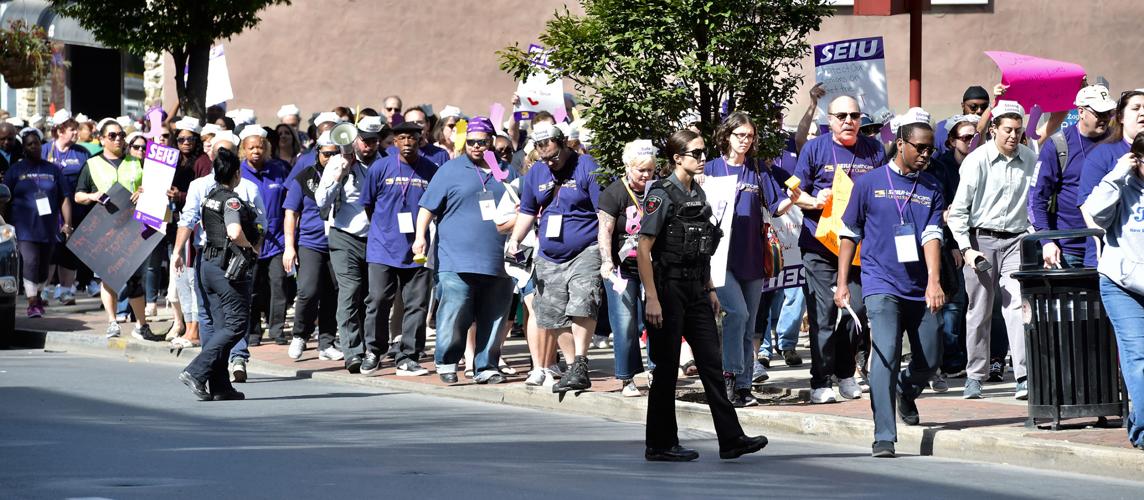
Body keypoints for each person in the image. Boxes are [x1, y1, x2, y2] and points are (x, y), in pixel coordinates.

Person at [637, 128, 768, 462]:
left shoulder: (699, 192)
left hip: (697, 287)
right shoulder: (661, 193)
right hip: (668, 289)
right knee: (666, 369)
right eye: (695, 153)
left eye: (703, 152)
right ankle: (660, 443)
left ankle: (732, 439)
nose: (702, 158)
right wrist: (651, 296)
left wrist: (710, 288)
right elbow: (643, 248)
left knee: (712, 363)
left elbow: (704, 247)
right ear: (677, 158)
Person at [835, 110, 946, 458]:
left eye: (931, 149)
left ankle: (905, 390)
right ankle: (884, 434)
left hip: (919, 286)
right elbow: (849, 234)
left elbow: (932, 235)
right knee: (885, 354)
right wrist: (841, 284)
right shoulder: (868, 184)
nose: (927, 154)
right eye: (920, 148)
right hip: (880, 282)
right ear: (900, 144)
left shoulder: (931, 186)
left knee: (929, 359)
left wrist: (933, 281)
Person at [792, 95, 886, 404]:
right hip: (820, 244)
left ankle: (845, 372)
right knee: (824, 313)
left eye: (855, 115)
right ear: (829, 120)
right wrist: (816, 200)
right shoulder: (814, 148)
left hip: (859, 247)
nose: (849, 121)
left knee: (857, 309)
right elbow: (793, 191)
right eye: (842, 116)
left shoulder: (873, 149)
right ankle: (821, 380)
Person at [947, 100, 1037, 400]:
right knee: (980, 310)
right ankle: (975, 375)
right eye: (1007, 130)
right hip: (980, 240)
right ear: (993, 129)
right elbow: (958, 213)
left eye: (1018, 130)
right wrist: (966, 248)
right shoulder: (977, 160)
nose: (1013, 135)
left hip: (1016, 240)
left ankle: (1023, 374)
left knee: (1015, 305)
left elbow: (1035, 202)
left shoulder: (1029, 157)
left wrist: (1034, 234)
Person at [414, 116, 515, 384]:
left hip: (499, 260)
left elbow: (524, 208)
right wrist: (419, 236)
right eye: (470, 142)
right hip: (454, 258)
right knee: (455, 310)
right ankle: (447, 362)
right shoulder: (450, 170)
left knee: (494, 317)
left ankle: (486, 366)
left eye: (482, 142)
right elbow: (427, 207)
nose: (476, 147)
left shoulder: (507, 173)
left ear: (491, 142)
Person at [705, 112, 797, 406]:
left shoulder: (758, 170)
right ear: (727, 136)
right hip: (720, 258)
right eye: (739, 135)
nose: (745, 141)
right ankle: (729, 376)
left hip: (753, 255)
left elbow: (777, 205)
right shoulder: (711, 169)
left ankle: (743, 387)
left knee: (747, 324)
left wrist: (794, 197)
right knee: (737, 314)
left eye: (749, 136)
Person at [507, 122, 603, 393]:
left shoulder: (586, 166)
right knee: (553, 312)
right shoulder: (536, 172)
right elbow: (527, 210)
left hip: (585, 248)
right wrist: (515, 239)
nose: (550, 162)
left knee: (583, 302)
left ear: (563, 144)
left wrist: (605, 251)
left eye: (553, 156)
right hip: (549, 254)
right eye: (544, 158)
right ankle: (574, 368)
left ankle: (581, 361)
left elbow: (602, 212)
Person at [178, 148, 263, 402]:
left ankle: (220, 386)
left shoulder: (210, 196)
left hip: (209, 264)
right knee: (236, 325)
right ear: (237, 173)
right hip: (228, 267)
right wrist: (250, 246)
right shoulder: (232, 200)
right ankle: (195, 371)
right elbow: (235, 231)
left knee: (219, 327)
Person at [1081, 132, 1144, 451]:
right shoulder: (1122, 184)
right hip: (1122, 285)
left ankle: (1138, 422)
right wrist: (1118, 174)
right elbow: (1093, 212)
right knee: (1138, 358)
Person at [359, 121, 438, 376]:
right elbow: (368, 205)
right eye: (402, 138)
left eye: (412, 138)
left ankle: (408, 355)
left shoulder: (431, 170)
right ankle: (374, 350)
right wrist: (385, 228)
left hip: (419, 248)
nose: (407, 142)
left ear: (420, 139)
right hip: (383, 247)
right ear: (394, 141)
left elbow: (437, 206)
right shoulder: (380, 168)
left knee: (417, 304)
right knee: (378, 299)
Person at [72, 120, 157, 340]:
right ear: (101, 139)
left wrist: (143, 191)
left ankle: (142, 325)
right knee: (107, 276)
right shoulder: (91, 164)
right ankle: (112, 322)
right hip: (105, 227)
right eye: (112, 135)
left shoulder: (136, 162)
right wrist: (92, 196)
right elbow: (78, 196)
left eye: (121, 135)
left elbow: (150, 187)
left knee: (135, 278)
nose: (118, 139)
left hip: (133, 227)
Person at [1029, 85, 1115, 269]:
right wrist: (1046, 241)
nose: (1106, 118)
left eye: (1109, 112)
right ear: (1081, 111)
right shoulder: (1058, 144)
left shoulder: (1117, 142)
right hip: (1068, 250)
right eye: (1100, 113)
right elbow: (1037, 197)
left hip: (1112, 246)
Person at [598, 140, 657, 397]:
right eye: (640, 170)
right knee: (625, 322)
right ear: (628, 167)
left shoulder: (658, 190)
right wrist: (606, 261)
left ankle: (657, 370)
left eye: (650, 171)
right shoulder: (614, 193)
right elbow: (605, 230)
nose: (645, 176)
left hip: (654, 266)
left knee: (656, 319)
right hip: (623, 267)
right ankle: (627, 377)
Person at [926, 115, 980, 385]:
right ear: (951, 141)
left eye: (974, 136)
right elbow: (942, 211)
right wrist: (953, 245)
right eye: (965, 137)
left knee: (971, 302)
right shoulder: (942, 167)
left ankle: (962, 358)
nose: (971, 141)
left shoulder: (979, 161)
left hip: (976, 237)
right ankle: (950, 360)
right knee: (953, 303)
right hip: (950, 242)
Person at [315, 127, 373, 373]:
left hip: (375, 238)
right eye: (363, 141)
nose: (367, 145)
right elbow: (321, 204)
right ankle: (353, 352)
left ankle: (372, 348)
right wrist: (339, 176)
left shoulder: (381, 165)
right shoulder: (336, 164)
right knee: (350, 292)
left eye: (373, 140)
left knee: (373, 296)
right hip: (344, 236)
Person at [282, 132, 342, 362]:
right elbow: (291, 212)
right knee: (307, 291)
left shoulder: (347, 175)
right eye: (326, 154)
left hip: (338, 243)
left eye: (335, 153)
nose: (331, 158)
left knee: (333, 293)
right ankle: (300, 334)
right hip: (310, 242)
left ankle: (326, 342)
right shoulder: (304, 176)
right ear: (318, 153)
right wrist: (290, 246)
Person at [4, 128, 73, 317]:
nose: (33, 146)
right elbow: (4, 197)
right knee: (31, 261)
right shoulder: (15, 170)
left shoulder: (53, 170)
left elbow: (64, 198)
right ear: (24, 148)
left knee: (44, 267)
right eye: (29, 144)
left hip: (48, 227)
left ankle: (39, 294)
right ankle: (32, 302)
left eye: (36, 143)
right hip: (24, 228)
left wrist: (67, 223)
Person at [1079, 89, 1144, 268]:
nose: (1142, 113)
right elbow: (1087, 207)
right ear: (1121, 117)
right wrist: (1101, 240)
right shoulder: (1102, 154)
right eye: (1136, 108)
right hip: (1111, 257)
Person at [239, 126, 290, 346]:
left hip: (276, 241)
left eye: (260, 146)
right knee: (252, 289)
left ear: (267, 148)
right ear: (243, 150)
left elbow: (289, 202)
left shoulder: (279, 169)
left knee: (278, 285)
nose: (256, 151)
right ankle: (252, 331)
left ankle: (277, 328)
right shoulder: (238, 172)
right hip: (249, 242)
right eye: (251, 148)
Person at [41, 116, 89, 305]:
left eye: (77, 129)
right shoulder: (45, 150)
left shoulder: (82, 153)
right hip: (48, 211)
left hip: (75, 210)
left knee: (70, 250)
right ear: (60, 131)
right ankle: (42, 290)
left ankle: (66, 290)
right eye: (72, 129)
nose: (76, 133)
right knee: (49, 251)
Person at [934, 86, 991, 157]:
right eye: (973, 107)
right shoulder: (943, 128)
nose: (979, 111)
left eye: (984, 107)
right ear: (963, 106)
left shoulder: (994, 129)